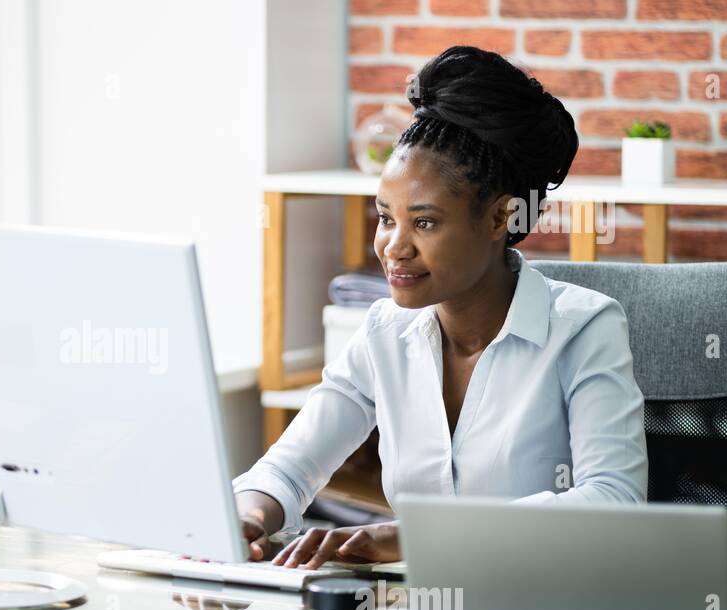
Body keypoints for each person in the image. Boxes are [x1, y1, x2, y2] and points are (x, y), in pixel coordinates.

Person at [234, 45, 647, 569]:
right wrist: (250, 515)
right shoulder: (385, 331)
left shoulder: (584, 328)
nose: (393, 247)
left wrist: (418, 537)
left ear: (499, 218)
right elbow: (288, 470)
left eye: (424, 222)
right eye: (386, 218)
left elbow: (614, 500)